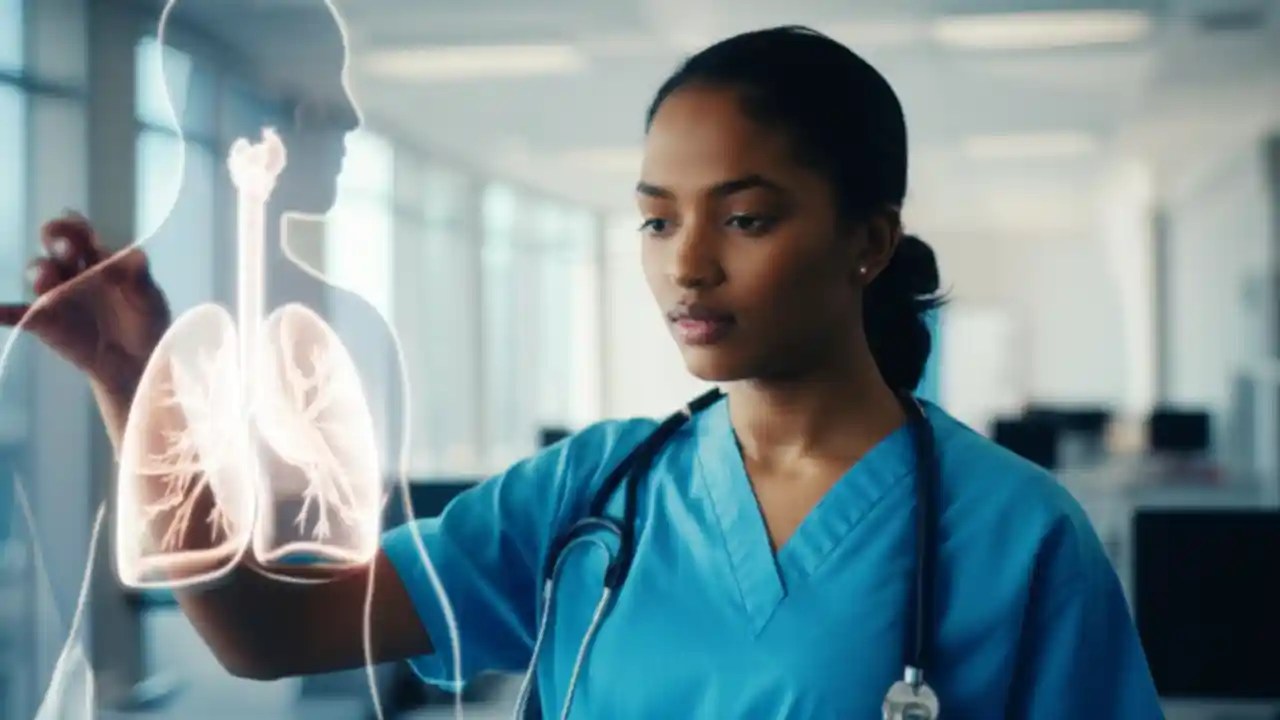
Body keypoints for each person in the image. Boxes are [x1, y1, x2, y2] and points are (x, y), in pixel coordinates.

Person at [3, 21, 1163, 720]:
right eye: (657, 223)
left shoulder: (1016, 537)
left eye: (746, 219)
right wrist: (142, 385)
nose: (688, 268)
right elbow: (265, 631)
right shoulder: (593, 494)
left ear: (866, 239)